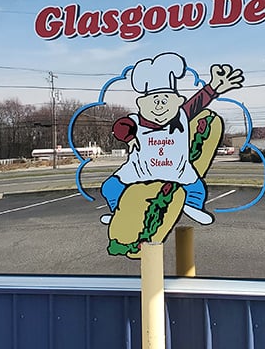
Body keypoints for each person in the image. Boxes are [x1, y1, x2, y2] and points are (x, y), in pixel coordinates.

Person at [100, 52, 243, 225]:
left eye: (164, 100)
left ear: (176, 102)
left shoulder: (182, 115)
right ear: (142, 104)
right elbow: (120, 126)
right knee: (110, 187)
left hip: (177, 170)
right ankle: (118, 213)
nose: (159, 105)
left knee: (197, 189)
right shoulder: (136, 121)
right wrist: (130, 137)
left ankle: (193, 207)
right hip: (140, 170)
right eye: (154, 100)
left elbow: (199, 101)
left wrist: (214, 87)